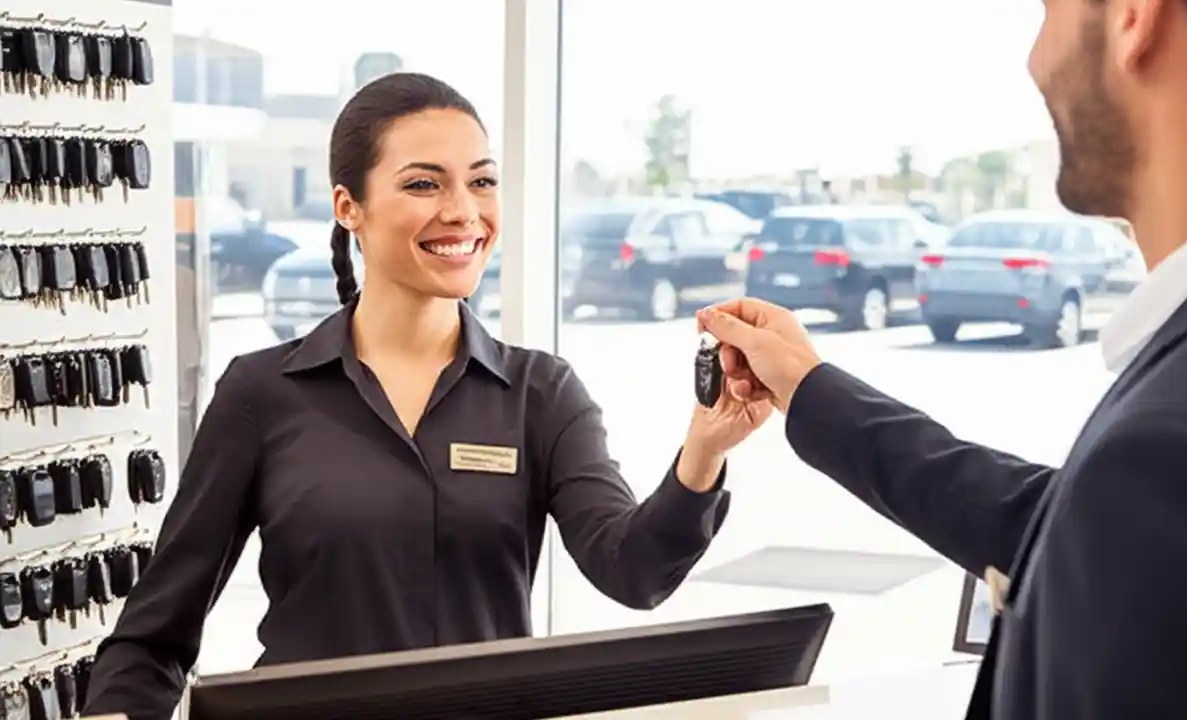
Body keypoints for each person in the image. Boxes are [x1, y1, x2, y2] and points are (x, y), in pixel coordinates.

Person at [83, 73, 771, 720]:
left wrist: (706, 446)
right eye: (423, 184)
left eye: (481, 181)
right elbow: (153, 637)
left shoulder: (541, 394)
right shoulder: (261, 394)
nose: (462, 211)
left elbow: (634, 572)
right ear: (349, 207)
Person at [697, 1, 1187, 718]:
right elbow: (1073, 531)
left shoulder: (1180, 456)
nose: (1035, 60)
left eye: (1047, 9)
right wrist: (813, 391)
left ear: (1135, 16)